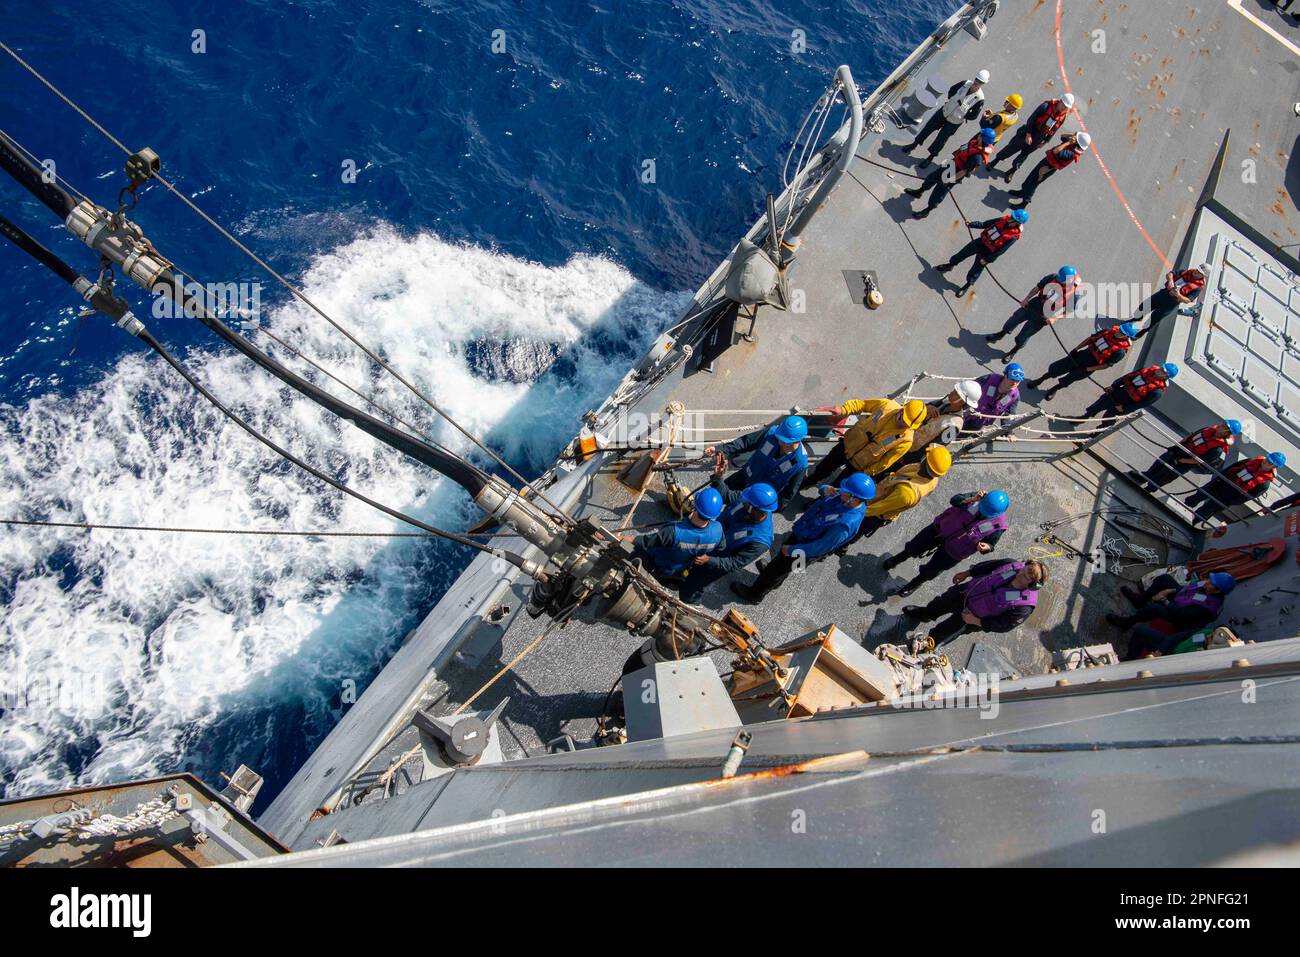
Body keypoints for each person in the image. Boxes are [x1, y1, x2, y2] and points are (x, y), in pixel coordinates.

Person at [730, 473, 875, 603]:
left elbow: (821, 547)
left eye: (845, 491)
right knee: (781, 567)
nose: (841, 490)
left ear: (854, 498)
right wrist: (824, 489)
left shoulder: (845, 524)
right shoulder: (845, 498)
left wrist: (793, 550)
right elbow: (824, 494)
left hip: (805, 549)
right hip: (802, 534)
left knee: (778, 569)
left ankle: (755, 594)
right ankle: (775, 581)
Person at [882, 489, 1010, 597]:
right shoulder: (978, 497)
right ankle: (896, 560)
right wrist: (971, 499)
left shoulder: (999, 526)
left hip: (956, 550)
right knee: (914, 546)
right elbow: (954, 500)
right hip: (940, 529)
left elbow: (991, 544)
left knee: (932, 570)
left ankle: (914, 584)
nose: (982, 512)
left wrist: (986, 547)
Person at [902, 559, 1048, 647]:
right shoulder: (1012, 565)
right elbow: (987, 566)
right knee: (937, 605)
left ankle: (922, 647)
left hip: (970, 618)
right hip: (964, 593)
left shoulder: (1024, 606)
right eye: (1026, 570)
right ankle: (924, 614)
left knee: (941, 634)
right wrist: (967, 573)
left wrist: (976, 621)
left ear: (1032, 585)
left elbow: (1004, 625)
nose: (1022, 574)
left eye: (1028, 577)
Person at [678, 480, 777, 604]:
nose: (744, 501)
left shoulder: (760, 541)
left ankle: (690, 603)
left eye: (747, 502)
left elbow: (734, 563)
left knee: (691, 587)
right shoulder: (748, 500)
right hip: (707, 539)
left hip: (714, 562)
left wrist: (709, 560)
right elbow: (727, 495)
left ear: (755, 509)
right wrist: (718, 479)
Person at [800, 398, 927, 488]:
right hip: (847, 445)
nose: (903, 424)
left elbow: (885, 462)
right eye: (903, 419)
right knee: (824, 467)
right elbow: (861, 404)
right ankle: (808, 482)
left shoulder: (906, 440)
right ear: (901, 410)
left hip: (859, 465)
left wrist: (865, 473)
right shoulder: (887, 406)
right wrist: (843, 409)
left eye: (907, 424)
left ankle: (819, 503)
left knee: (839, 487)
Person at [1109, 572, 1235, 660]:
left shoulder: (1207, 607)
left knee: (1154, 609)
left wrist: (1164, 600)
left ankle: (1128, 623)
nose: (1207, 581)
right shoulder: (1206, 585)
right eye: (1209, 579)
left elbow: (1180, 615)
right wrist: (1170, 591)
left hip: (1182, 619)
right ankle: (1141, 601)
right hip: (1181, 603)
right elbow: (1187, 589)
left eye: (1211, 582)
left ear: (1217, 590)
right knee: (1164, 579)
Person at [705, 414, 809, 509]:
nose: (778, 440)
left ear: (796, 441)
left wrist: (767, 509)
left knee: (732, 512)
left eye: (783, 440)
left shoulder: (799, 464)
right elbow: (745, 441)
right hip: (744, 475)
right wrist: (721, 449)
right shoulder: (772, 434)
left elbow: (789, 494)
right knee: (715, 495)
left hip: (757, 496)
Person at [853, 445, 952, 544]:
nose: (924, 455)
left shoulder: (907, 493)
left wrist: (855, 511)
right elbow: (902, 475)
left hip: (874, 514)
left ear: (926, 462)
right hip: (881, 494)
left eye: (926, 456)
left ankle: (842, 546)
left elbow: (879, 507)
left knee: (854, 531)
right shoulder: (929, 476)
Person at [881, 380, 980, 475]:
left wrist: (907, 459)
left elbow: (933, 447)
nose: (951, 392)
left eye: (955, 393)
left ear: (962, 401)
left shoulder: (954, 426)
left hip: (909, 453)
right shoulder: (944, 402)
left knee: (885, 469)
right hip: (902, 437)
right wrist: (927, 408)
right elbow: (918, 409)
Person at [985, 265, 1082, 361]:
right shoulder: (1053, 277)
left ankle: (1014, 351)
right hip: (1035, 303)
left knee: (1023, 336)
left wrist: (1054, 319)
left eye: (1062, 281)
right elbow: (1037, 287)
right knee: (1012, 320)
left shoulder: (1074, 293)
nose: (1059, 281)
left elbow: (1069, 311)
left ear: (1070, 280)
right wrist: (1026, 299)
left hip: (1045, 314)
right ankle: (1001, 334)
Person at [628, 486, 724, 582]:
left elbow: (644, 542)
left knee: (635, 552)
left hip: (658, 565)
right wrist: (706, 557)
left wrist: (620, 538)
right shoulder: (718, 530)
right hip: (679, 568)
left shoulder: (674, 531)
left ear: (695, 505)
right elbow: (722, 547)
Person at [1025, 322, 1137, 398]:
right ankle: (1040, 380)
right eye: (1120, 330)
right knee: (1057, 368)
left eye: (1122, 333)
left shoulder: (1120, 352)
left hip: (1091, 364)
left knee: (1069, 379)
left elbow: (1106, 365)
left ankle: (1054, 388)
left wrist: (1088, 369)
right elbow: (1090, 339)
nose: (1119, 333)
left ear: (1127, 337)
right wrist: (1076, 349)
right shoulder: (1107, 331)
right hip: (1083, 354)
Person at [904, 128, 996, 217]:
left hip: (956, 172)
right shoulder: (975, 143)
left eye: (981, 135)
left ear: (982, 138)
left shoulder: (977, 157)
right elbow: (963, 149)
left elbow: (964, 171)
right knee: (932, 176)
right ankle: (919, 191)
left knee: (939, 192)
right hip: (952, 163)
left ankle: (927, 210)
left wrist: (949, 180)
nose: (978, 135)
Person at [904, 69, 989, 164]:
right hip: (944, 111)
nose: (977, 82)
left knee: (941, 140)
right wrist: (951, 99)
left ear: (983, 84)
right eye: (977, 79)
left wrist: (963, 112)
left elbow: (974, 116)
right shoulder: (965, 83)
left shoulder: (980, 98)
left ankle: (930, 157)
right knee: (927, 128)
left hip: (954, 121)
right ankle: (914, 144)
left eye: (980, 82)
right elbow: (952, 90)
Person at [1130, 420, 1241, 491]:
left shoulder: (1217, 449)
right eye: (1223, 423)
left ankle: (1149, 489)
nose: (1220, 426)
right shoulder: (1207, 429)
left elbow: (1199, 461)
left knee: (1164, 476)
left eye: (1224, 426)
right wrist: (1176, 446)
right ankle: (1144, 477)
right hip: (1179, 450)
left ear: (1227, 432)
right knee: (1158, 464)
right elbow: (1190, 437)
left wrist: (1181, 461)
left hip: (1184, 462)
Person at [936, 210, 1027, 295]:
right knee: (962, 254)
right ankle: (950, 265)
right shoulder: (1003, 220)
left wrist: (987, 260)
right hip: (981, 242)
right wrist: (972, 224)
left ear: (1017, 223)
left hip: (988, 252)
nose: (1010, 218)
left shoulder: (1013, 237)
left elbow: (1000, 251)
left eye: (1013, 219)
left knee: (976, 270)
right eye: (1011, 216)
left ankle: (967, 285)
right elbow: (986, 224)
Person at [988, 93, 1075, 180]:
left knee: (1024, 155)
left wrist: (1046, 141)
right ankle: (996, 160)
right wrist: (1028, 134)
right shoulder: (1045, 106)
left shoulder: (1062, 117)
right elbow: (1031, 119)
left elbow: (1054, 130)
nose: (1064, 108)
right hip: (1028, 131)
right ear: (1060, 101)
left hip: (1039, 137)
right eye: (1064, 105)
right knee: (1012, 148)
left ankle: (1012, 171)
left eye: (1066, 107)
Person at [1185, 452, 1286, 525]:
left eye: (1270, 463)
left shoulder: (1264, 484)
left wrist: (1231, 502)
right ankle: (1184, 506)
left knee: (1204, 512)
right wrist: (1217, 479)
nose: (1266, 462)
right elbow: (1231, 468)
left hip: (1226, 498)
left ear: (1274, 467)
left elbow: (1248, 497)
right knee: (1196, 497)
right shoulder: (1250, 461)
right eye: (1267, 460)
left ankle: (1191, 523)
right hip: (1218, 485)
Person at [1008, 131, 1091, 205]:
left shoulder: (1071, 153)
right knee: (1030, 177)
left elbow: (1056, 151)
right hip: (1047, 161)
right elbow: (1062, 135)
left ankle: (1025, 202)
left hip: (1048, 167)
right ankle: (1022, 192)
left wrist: (1068, 142)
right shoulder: (1073, 145)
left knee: (1033, 183)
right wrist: (1073, 134)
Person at [1075, 362, 1178, 422]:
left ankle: (1093, 436)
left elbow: (1142, 404)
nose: (1159, 370)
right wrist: (1113, 386)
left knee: (1108, 420)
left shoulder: (1157, 392)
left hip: (1125, 403)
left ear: (1166, 376)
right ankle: (1084, 417)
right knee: (1098, 405)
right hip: (1119, 392)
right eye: (1161, 368)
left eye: (1163, 372)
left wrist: (1124, 408)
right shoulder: (1146, 371)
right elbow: (1127, 377)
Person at [1132, 264, 1210, 340]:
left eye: (1199, 273)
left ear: (1203, 276)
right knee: (1144, 306)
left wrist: (1178, 295)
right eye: (1197, 270)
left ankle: (1142, 332)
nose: (1196, 272)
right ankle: (1136, 319)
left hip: (1171, 303)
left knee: (1154, 318)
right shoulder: (1187, 272)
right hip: (1164, 293)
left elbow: (1188, 300)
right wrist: (1170, 281)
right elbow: (1170, 274)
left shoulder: (1198, 288)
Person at [965, 364, 1024, 431]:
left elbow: (1009, 414)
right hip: (966, 413)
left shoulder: (1015, 396)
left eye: (1018, 381)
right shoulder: (989, 379)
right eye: (1012, 379)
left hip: (980, 422)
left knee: (963, 435)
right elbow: (970, 386)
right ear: (1005, 376)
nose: (1014, 383)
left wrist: (1009, 432)